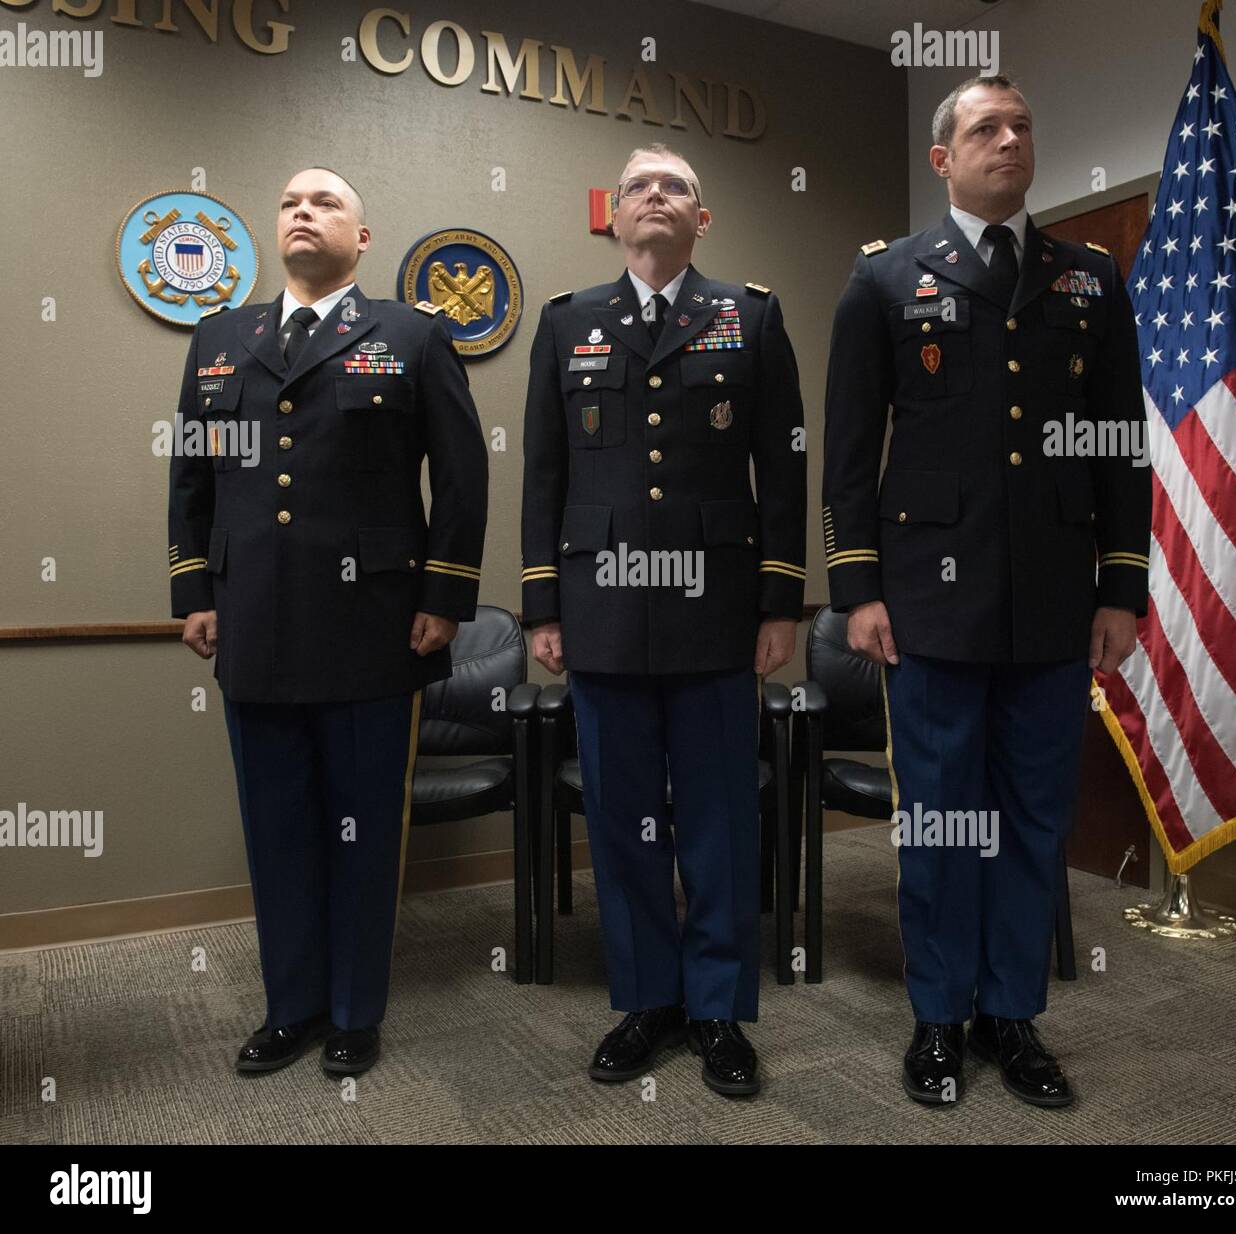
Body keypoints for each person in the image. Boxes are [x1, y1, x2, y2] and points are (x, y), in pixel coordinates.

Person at [823, 76, 1150, 1107]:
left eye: (1020, 127)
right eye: (984, 129)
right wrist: (858, 591)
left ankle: (1012, 1017)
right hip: (927, 606)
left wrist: (1122, 588)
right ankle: (938, 1017)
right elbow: (844, 455)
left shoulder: (1087, 279)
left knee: (1031, 820)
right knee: (941, 820)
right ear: (942, 158)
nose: (1008, 140)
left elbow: (1117, 448)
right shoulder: (885, 280)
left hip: (1055, 604)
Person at [167, 167, 488, 1076]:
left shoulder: (413, 334)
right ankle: (292, 1006)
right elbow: (193, 475)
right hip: (253, 623)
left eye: (326, 203)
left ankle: (354, 1010)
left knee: (361, 827)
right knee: (276, 826)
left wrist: (443, 595)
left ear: (364, 235)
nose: (303, 212)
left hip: (372, 624)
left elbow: (462, 481)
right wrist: (194, 588)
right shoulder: (220, 338)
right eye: (290, 203)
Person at [521, 143, 807, 1096]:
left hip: (717, 614)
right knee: (624, 817)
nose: (656, 197)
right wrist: (542, 607)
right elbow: (545, 478)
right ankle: (646, 998)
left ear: (702, 217)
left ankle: (718, 1008)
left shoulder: (752, 317)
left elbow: (784, 472)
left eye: (675, 187)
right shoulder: (568, 324)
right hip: (600, 609)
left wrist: (779, 604)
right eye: (639, 185)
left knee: (721, 817)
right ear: (614, 214)